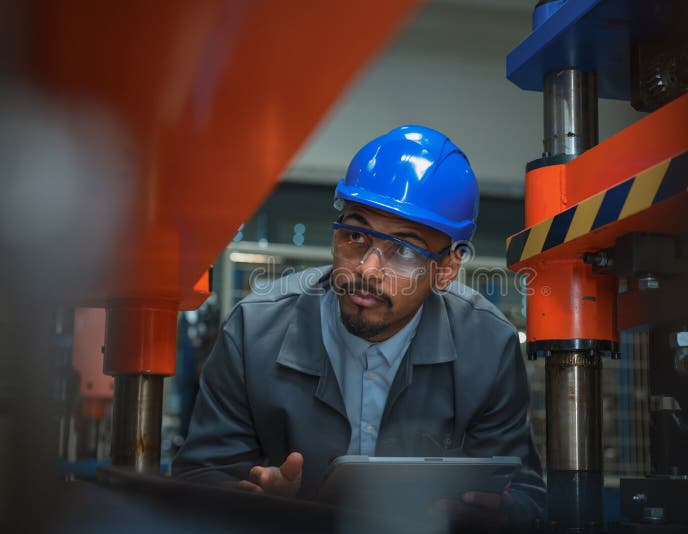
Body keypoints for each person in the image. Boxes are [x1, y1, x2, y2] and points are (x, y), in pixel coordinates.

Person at [172, 125, 546, 529]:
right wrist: (265, 506)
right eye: (355, 234)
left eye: (403, 248)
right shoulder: (254, 330)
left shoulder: (487, 347)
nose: (367, 268)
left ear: (447, 268)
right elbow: (197, 477)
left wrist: (495, 516)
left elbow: (526, 495)